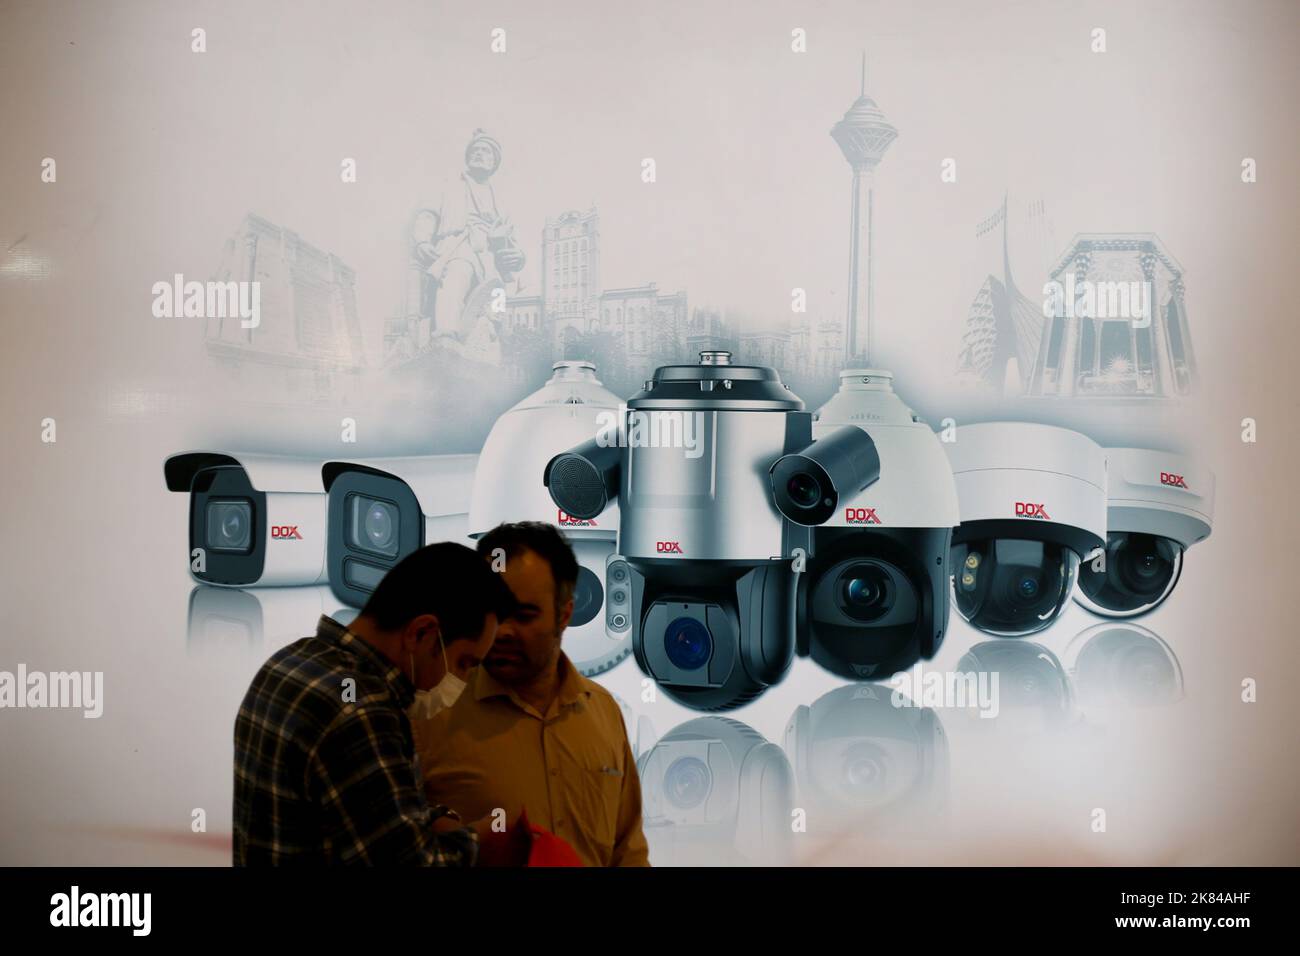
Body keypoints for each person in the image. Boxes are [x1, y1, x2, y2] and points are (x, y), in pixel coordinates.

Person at [232, 542, 520, 865]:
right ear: (422, 633)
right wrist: (482, 839)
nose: (462, 681)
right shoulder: (361, 712)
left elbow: (350, 810)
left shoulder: (290, 663)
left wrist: (431, 818)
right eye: (465, 663)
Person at [415, 522, 651, 867]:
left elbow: (627, 850)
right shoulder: (426, 715)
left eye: (523, 616)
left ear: (565, 614)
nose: (502, 631)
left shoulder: (604, 712)